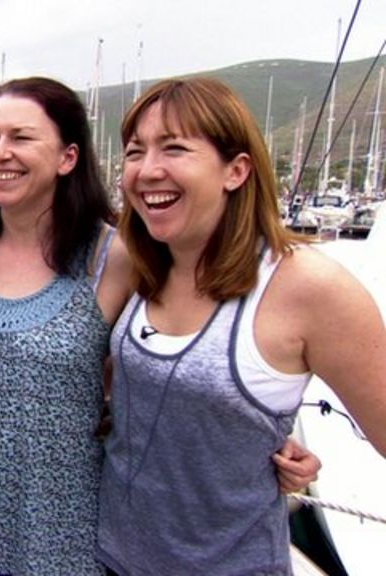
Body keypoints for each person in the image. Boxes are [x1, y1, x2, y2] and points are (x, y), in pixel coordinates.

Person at [0, 77, 323, 576]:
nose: (0, 152)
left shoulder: (115, 256)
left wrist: (257, 440)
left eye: (21, 137)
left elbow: (178, 360)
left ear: (68, 157)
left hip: (61, 534)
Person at [97, 77, 386, 575]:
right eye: (135, 151)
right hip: (111, 558)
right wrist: (246, 434)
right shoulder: (146, 266)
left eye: (174, 148)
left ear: (236, 170)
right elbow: (135, 394)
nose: (147, 170)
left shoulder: (309, 287)